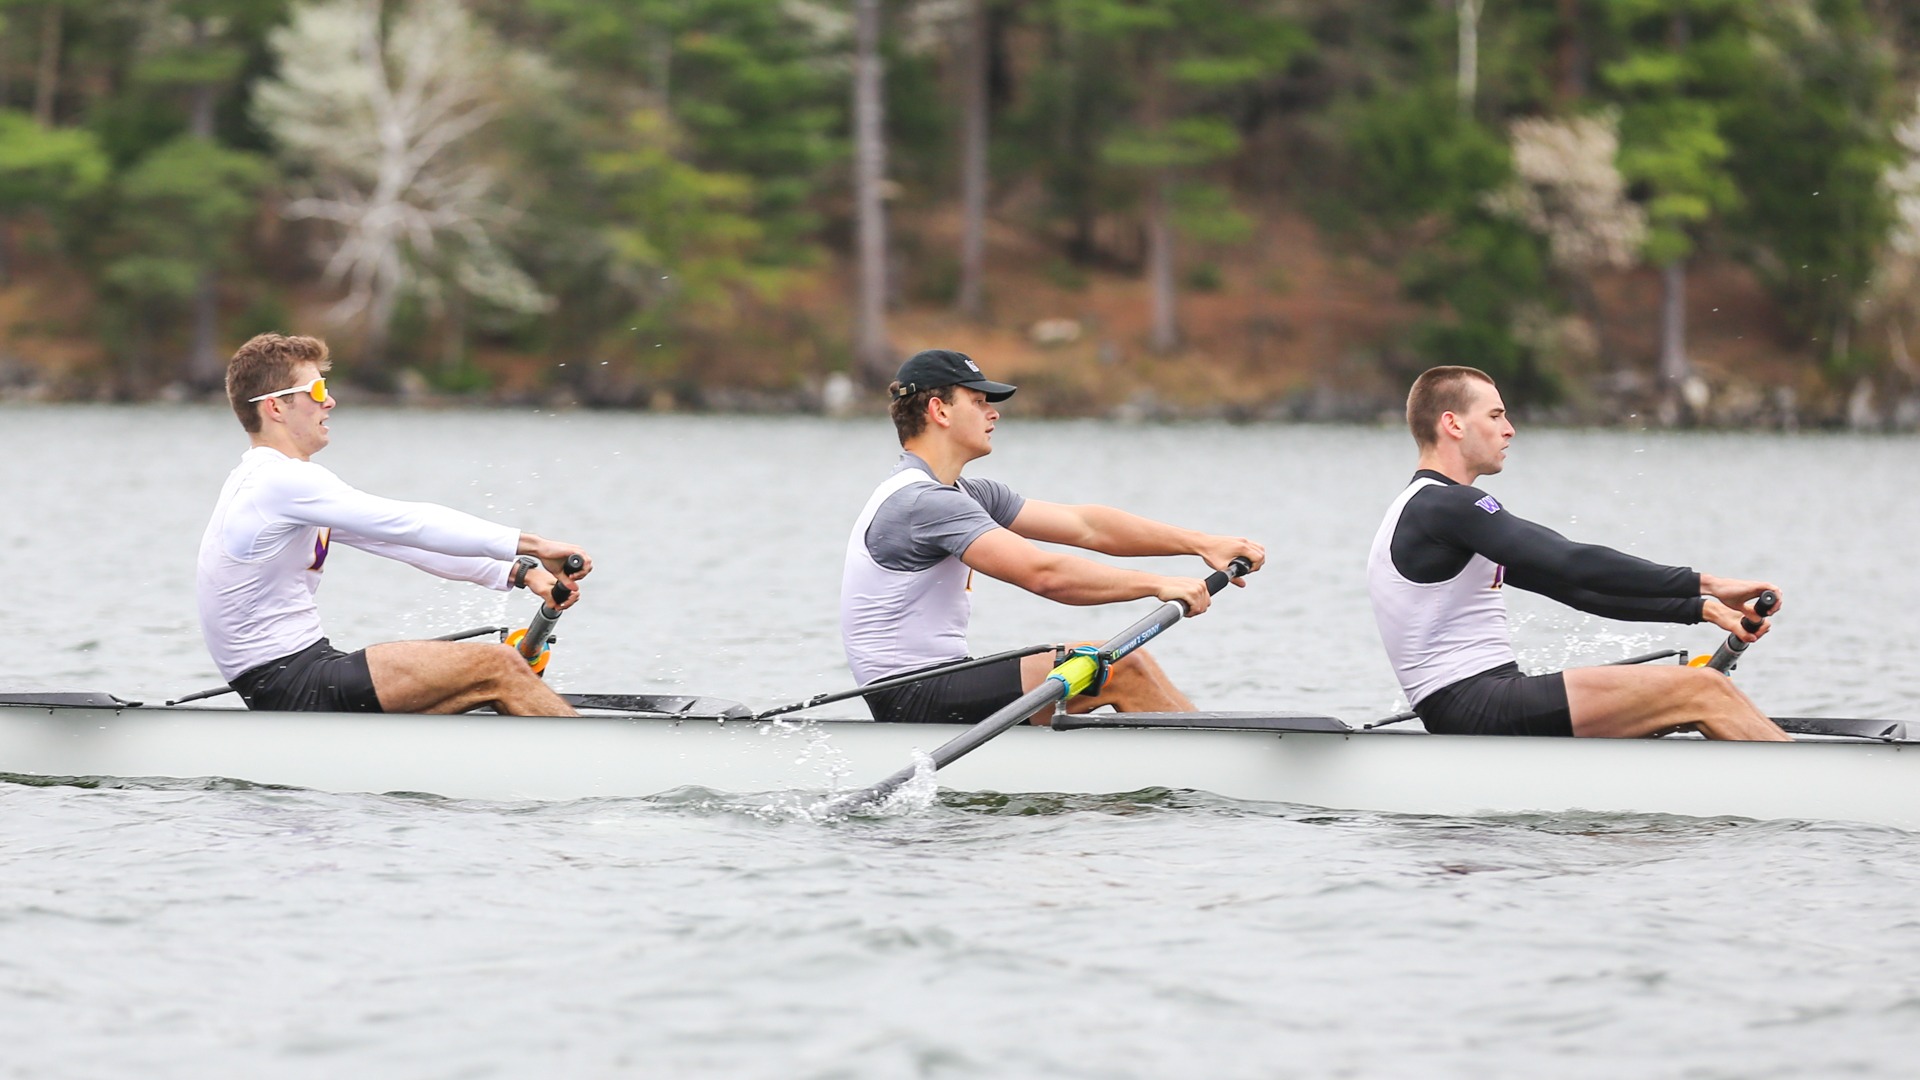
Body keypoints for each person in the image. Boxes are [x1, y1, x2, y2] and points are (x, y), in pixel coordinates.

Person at [841, 348, 1265, 725]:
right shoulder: (922, 503)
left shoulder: (970, 494)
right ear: (940, 411)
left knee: (1128, 665)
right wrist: (1157, 584)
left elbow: (1088, 526)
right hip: (909, 695)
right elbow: (1045, 575)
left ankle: (1200, 752)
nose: (994, 413)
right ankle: (1210, 770)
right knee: (1124, 666)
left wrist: (1201, 543)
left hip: (943, 680)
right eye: (978, 401)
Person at [1367, 365, 1789, 740]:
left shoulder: (1434, 511)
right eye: (1496, 415)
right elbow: (1573, 561)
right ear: (1453, 424)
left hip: (1471, 703)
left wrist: (1702, 608)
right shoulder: (1445, 506)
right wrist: (1709, 582)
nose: (1509, 428)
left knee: (1691, 693)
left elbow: (1579, 590)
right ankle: (1804, 789)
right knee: (1703, 689)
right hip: (1473, 702)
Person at [197, 333, 592, 716]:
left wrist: (520, 574)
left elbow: (405, 545)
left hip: (298, 672)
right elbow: (413, 524)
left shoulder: (280, 485)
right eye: (316, 392)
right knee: (500, 666)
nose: (330, 401)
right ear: (275, 408)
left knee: (485, 678)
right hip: (288, 681)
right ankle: (591, 768)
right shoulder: (277, 481)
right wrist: (535, 545)